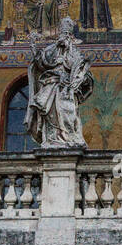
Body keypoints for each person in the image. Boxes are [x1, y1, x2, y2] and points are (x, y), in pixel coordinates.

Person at [24, 16, 94, 148]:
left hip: (66, 89)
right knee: (51, 114)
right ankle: (53, 139)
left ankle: (69, 138)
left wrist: (80, 78)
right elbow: (40, 62)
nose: (64, 36)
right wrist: (34, 49)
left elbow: (82, 71)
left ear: (70, 36)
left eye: (67, 34)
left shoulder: (75, 53)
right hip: (52, 84)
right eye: (63, 33)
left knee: (68, 112)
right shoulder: (51, 50)